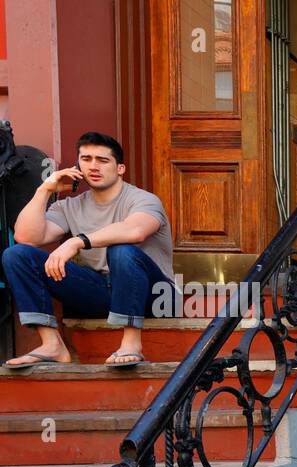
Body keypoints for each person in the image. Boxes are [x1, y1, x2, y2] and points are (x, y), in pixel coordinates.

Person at [3, 132, 175, 370]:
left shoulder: (143, 200)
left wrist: (76, 242)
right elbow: (26, 237)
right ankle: (52, 344)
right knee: (16, 255)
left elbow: (135, 230)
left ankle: (131, 342)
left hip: (156, 296)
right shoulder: (69, 206)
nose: (93, 166)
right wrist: (44, 190)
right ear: (78, 165)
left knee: (121, 249)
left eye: (102, 160)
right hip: (101, 292)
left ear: (120, 168)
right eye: (86, 159)